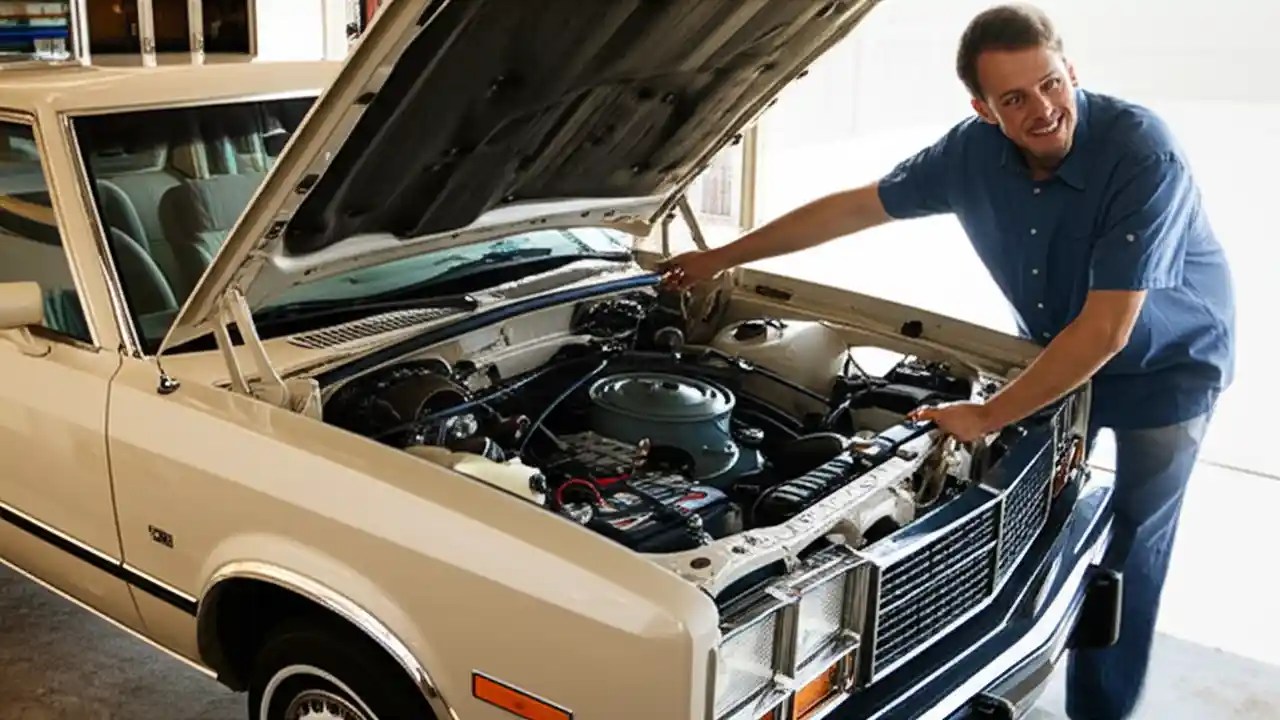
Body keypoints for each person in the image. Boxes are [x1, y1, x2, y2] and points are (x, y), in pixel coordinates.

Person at [659, 4, 1235, 719]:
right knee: (1045, 516)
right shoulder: (970, 154)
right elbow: (852, 210)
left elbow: (1109, 329)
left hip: (1166, 369)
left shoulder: (1141, 152)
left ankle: (1100, 711)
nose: (1043, 109)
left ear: (1072, 72)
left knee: (1133, 543)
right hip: (1053, 355)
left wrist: (991, 412)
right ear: (984, 109)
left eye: (1052, 84)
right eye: (1015, 98)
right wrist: (721, 257)